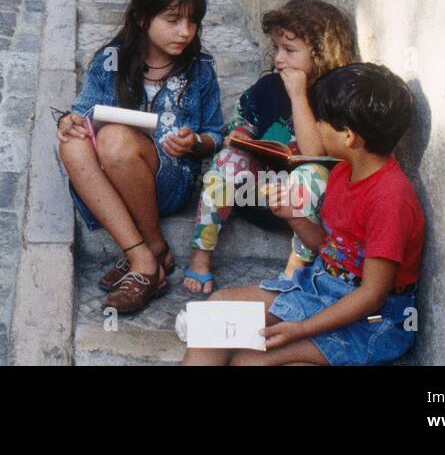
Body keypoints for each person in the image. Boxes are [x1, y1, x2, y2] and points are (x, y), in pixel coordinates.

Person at [180, 62, 424, 366]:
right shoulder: (343, 173)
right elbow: (329, 247)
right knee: (217, 313)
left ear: (348, 136)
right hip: (320, 287)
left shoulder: (390, 198)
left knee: (250, 361)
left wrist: (300, 330)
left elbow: (371, 296)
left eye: (320, 121)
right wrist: (294, 216)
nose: (315, 126)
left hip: (371, 320)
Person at [56, 0, 224, 314]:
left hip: (171, 181)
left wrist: (194, 143)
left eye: (193, 23)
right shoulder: (110, 61)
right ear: (144, 18)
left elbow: (217, 135)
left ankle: (148, 257)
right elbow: (82, 112)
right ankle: (147, 257)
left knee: (115, 139)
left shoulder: (200, 69)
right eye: (174, 20)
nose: (185, 32)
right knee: (72, 143)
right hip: (116, 182)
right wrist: (69, 122)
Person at [183, 0, 356, 294]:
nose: (278, 59)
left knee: (311, 173)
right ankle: (201, 255)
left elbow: (314, 154)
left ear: (321, 54)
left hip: (304, 210)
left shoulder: (331, 98)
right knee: (229, 159)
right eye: (276, 48)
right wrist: (239, 136)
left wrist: (299, 96)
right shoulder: (267, 87)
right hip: (257, 193)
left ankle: (294, 268)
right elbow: (241, 122)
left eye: (289, 50)